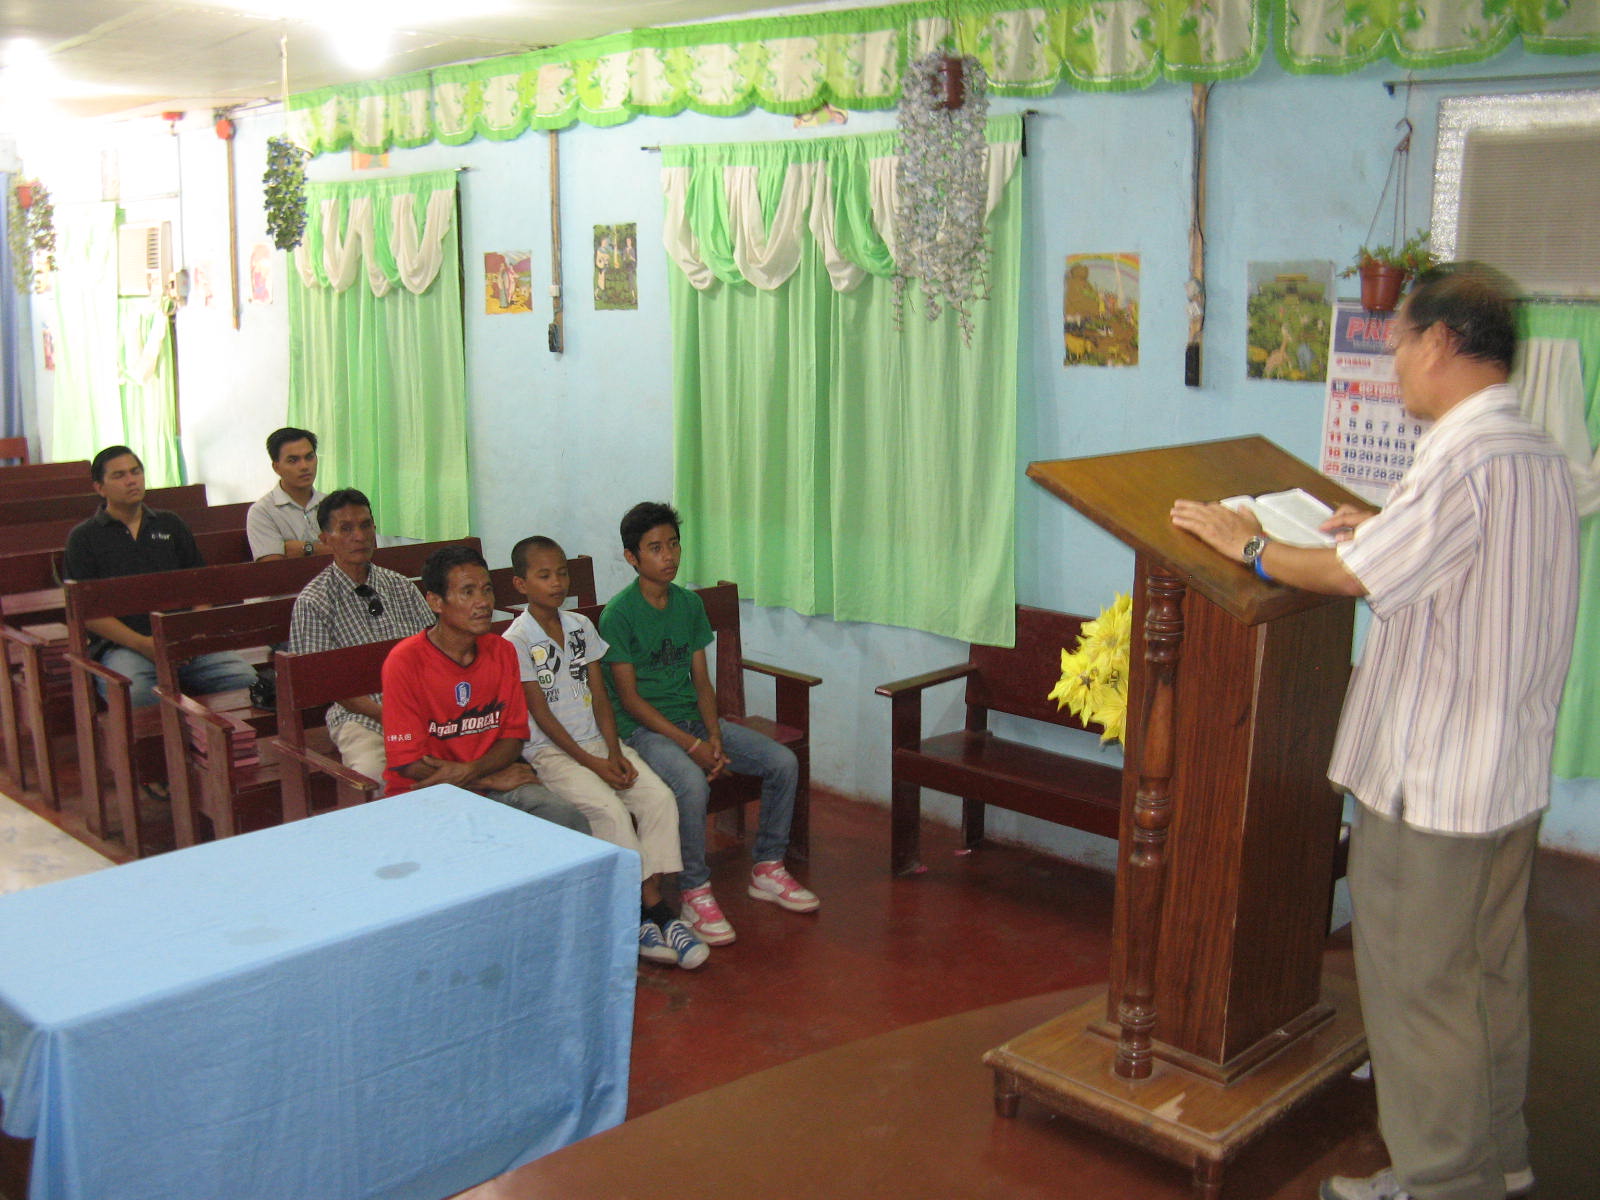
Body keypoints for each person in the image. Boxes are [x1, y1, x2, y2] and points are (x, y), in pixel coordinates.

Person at [1170, 264, 1577, 1200]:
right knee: (1487, 980)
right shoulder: (1531, 449)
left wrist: (1248, 545)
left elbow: (1356, 579)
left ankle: (1442, 1184)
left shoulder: (1461, 455)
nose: (1393, 364)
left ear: (1440, 343)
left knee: (1419, 992)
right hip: (1503, 780)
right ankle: (1499, 1160)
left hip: (1432, 783)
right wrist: (1380, 524)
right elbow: (1457, 562)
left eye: (1398, 343)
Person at [600, 501, 819, 946]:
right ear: (631, 557)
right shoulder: (618, 615)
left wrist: (714, 735)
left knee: (782, 762)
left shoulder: (688, 605)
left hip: (693, 722)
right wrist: (691, 745)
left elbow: (701, 680)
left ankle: (767, 866)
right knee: (691, 785)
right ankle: (694, 892)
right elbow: (630, 700)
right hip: (644, 731)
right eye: (655, 548)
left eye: (674, 544)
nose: (669, 556)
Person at [504, 535, 706, 969]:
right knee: (610, 811)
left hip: (601, 743)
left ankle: (647, 907)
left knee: (658, 798)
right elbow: (541, 714)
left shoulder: (581, 626)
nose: (557, 583)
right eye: (544, 575)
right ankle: (647, 913)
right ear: (521, 584)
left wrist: (614, 752)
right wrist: (592, 763)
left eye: (562, 573)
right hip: (553, 754)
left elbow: (601, 696)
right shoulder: (516, 640)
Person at [381, 544, 589, 835]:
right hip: (427, 791)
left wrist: (475, 773)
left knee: (566, 818)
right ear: (436, 602)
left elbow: (513, 738)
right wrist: (484, 779)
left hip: (494, 782)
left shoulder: (502, 651)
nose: (482, 602)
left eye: (487, 590)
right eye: (468, 592)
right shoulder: (405, 661)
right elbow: (409, 763)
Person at [62, 445, 257, 709]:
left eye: (136, 472)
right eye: (119, 475)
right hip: (124, 646)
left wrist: (194, 632)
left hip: (183, 638)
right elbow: (87, 612)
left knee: (245, 679)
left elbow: (200, 586)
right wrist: (143, 644)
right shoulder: (84, 537)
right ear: (100, 488)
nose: (131, 480)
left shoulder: (170, 524)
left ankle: (213, 735)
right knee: (135, 694)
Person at [287, 489, 434, 782]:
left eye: (366, 526)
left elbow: (434, 652)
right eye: (346, 529)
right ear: (326, 539)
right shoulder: (314, 601)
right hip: (361, 718)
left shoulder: (400, 586)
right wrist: (388, 715)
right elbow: (326, 683)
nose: (359, 536)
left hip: (424, 708)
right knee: (372, 775)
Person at [247, 426, 327, 561]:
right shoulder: (262, 511)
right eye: (293, 460)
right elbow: (273, 566)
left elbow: (355, 553)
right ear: (276, 467)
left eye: (309, 457)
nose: (304, 466)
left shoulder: (333, 504)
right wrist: (329, 549)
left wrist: (308, 548)